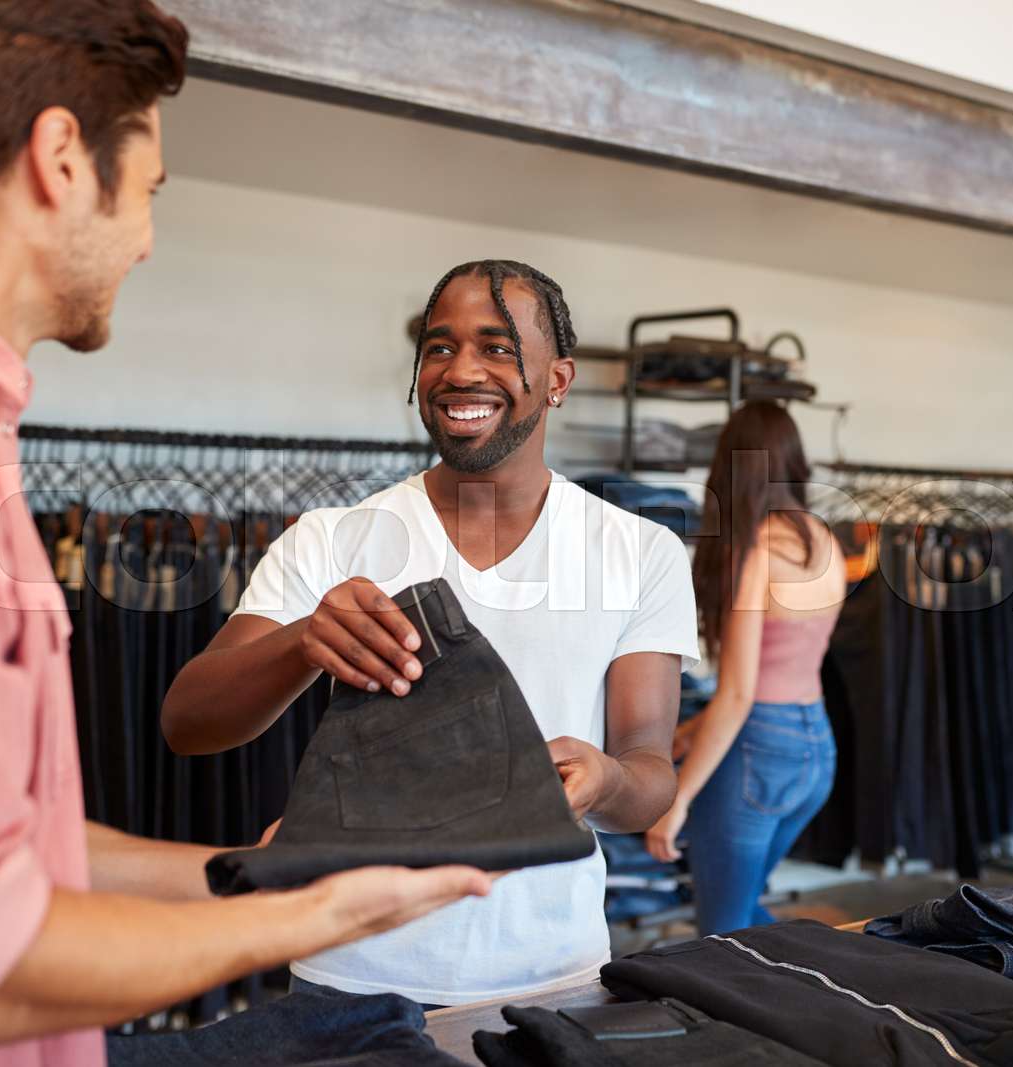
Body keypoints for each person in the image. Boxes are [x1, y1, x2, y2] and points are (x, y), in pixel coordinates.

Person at [0, 4, 489, 1064]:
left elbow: (3, 845)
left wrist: (255, 867)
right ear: (62, 158)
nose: (147, 239)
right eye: (147, 191)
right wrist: (319, 919)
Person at [163, 259, 700, 1007]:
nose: (461, 370)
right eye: (439, 347)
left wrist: (607, 778)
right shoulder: (333, 540)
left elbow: (649, 768)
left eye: (498, 347)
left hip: (554, 977)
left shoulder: (640, 551)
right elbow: (188, 720)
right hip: (347, 979)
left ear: (559, 379)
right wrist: (303, 641)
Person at [644, 401, 845, 935]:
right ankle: (816, 990)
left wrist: (678, 799)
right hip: (815, 750)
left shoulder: (755, 552)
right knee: (747, 912)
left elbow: (739, 696)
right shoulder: (823, 540)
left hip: (759, 751)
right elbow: (789, 662)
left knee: (724, 933)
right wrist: (691, 731)